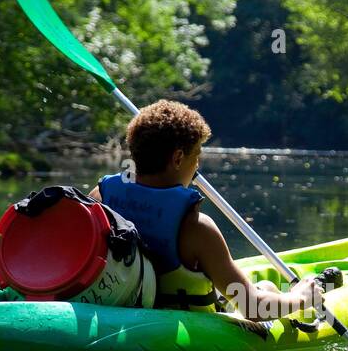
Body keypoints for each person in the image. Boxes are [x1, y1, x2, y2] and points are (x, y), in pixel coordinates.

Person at [90, 100, 323, 321]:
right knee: (269, 289)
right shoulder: (197, 227)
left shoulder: (99, 198)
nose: (198, 165)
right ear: (179, 158)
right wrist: (300, 297)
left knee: (264, 287)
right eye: (197, 155)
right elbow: (254, 307)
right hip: (183, 327)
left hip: (115, 311)